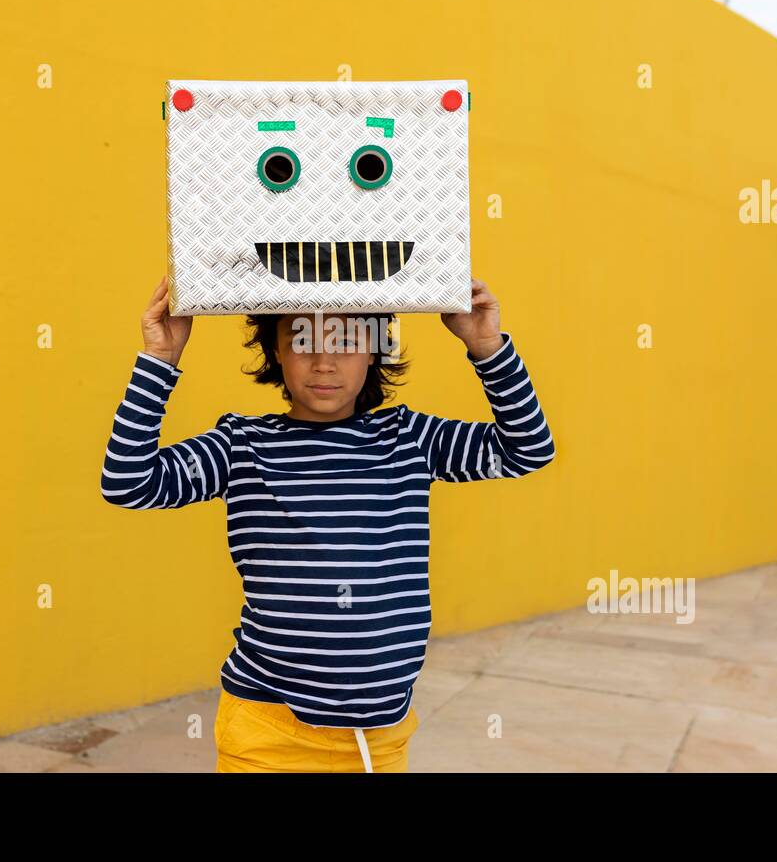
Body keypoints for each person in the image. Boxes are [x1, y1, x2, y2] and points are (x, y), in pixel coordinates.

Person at [100, 273, 556, 771]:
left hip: (379, 739)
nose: (324, 361)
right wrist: (159, 362)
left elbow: (526, 450)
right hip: (267, 733)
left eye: (345, 339)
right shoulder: (242, 445)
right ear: (275, 350)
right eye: (301, 339)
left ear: (375, 350)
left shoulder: (409, 439)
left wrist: (487, 347)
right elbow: (128, 483)